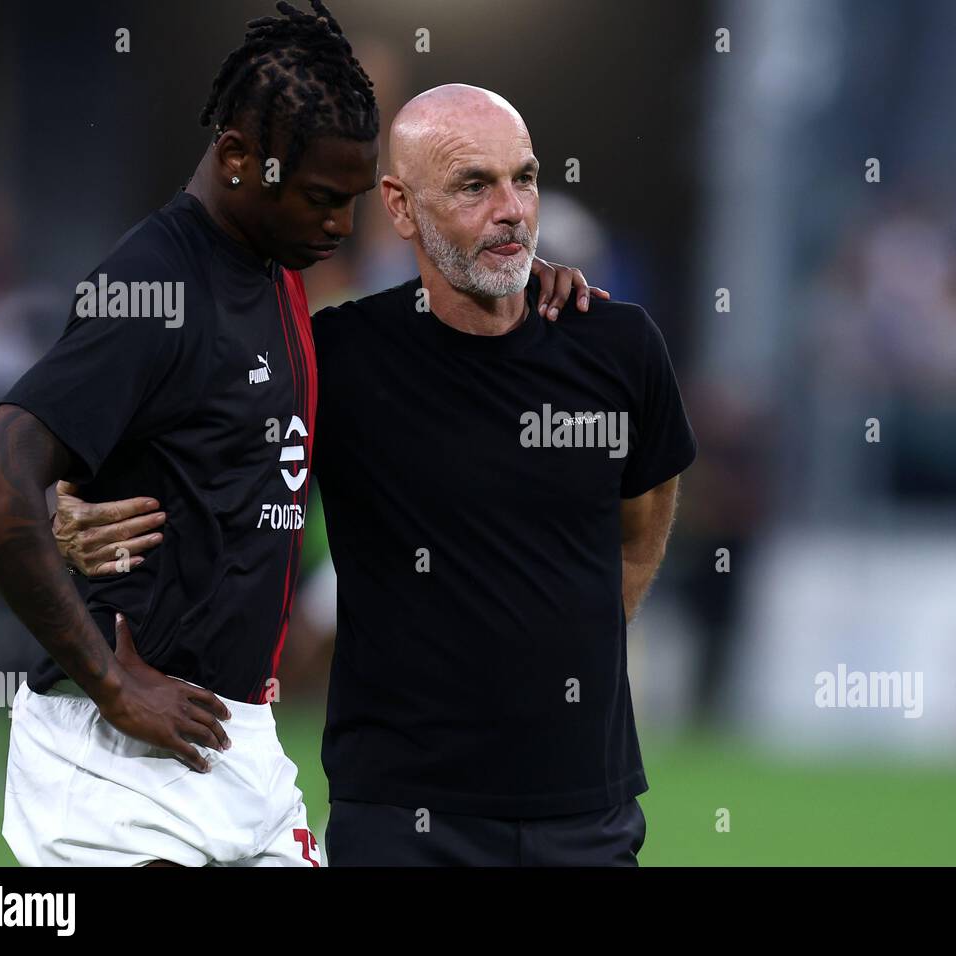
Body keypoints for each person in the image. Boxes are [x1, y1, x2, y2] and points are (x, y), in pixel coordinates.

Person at [0, 2, 599, 868]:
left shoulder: (267, 265)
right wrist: (110, 680)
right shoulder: (154, 283)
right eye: (321, 200)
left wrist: (509, 280)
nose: (336, 224)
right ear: (237, 158)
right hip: (119, 766)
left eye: (352, 202)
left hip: (237, 743)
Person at [64, 83, 696, 866]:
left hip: (589, 812)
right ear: (399, 206)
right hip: (403, 818)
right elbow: (181, 450)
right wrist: (67, 502)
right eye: (475, 185)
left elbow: (644, 520)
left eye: (523, 178)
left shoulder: (619, 346)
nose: (512, 208)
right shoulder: (337, 357)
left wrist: (575, 643)